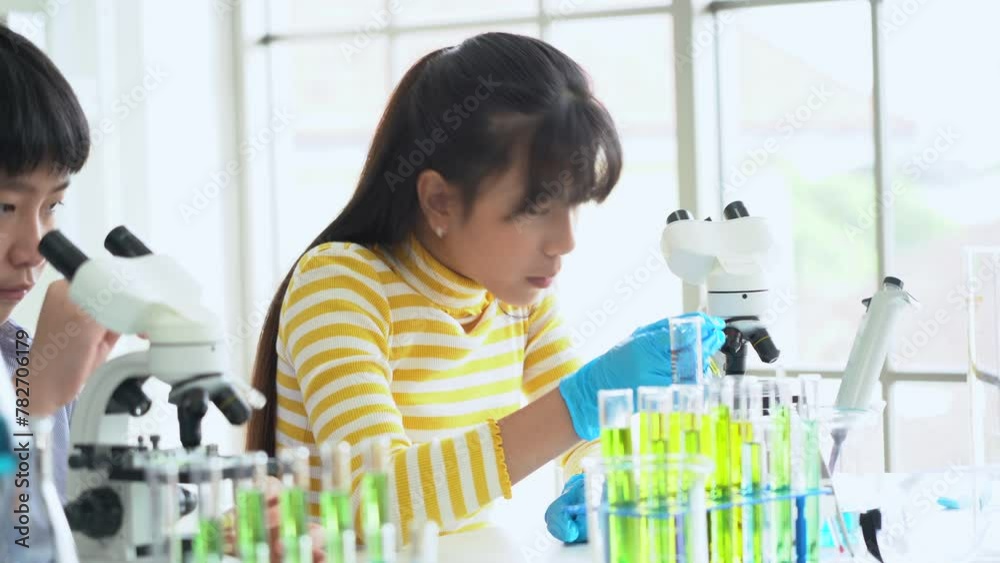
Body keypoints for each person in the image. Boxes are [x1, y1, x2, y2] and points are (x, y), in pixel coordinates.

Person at [244, 31, 726, 546]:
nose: (564, 241)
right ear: (439, 200)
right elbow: (378, 502)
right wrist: (585, 400)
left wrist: (597, 478)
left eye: (574, 205)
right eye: (537, 208)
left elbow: (582, 441)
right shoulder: (340, 283)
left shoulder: (514, 295)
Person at [0, 24, 326, 562]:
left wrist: (216, 540)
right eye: (5, 207)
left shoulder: (18, 353)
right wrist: (34, 408)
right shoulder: (34, 381)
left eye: (52, 205)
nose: (34, 249)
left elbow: (82, 537)